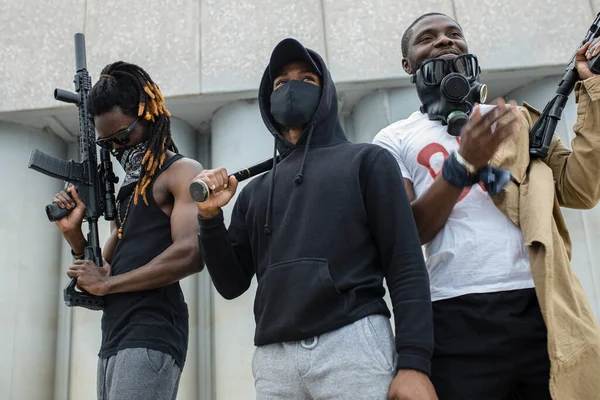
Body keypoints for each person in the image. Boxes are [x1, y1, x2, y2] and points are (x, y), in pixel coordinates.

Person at [373, 12, 600, 400]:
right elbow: (409, 233)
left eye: (453, 34)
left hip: (541, 305)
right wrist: (462, 166)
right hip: (454, 314)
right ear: (407, 65)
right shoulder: (394, 138)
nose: (445, 41)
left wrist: (591, 88)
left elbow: (581, 189)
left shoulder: (519, 121)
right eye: (428, 37)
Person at [194, 38, 437, 400]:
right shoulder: (253, 191)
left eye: (307, 79)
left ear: (326, 95)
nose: (292, 87)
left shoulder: (368, 162)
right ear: (267, 98)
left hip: (352, 342)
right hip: (273, 360)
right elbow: (231, 283)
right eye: (281, 82)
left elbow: (404, 263)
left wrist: (415, 363)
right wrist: (209, 218)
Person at [51, 61, 204, 400]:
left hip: (151, 329)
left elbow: (191, 253)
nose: (118, 148)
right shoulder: (128, 191)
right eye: (108, 144)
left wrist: (109, 283)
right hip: (116, 334)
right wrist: (75, 236)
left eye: (123, 136)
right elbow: (100, 277)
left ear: (148, 116)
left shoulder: (181, 171)